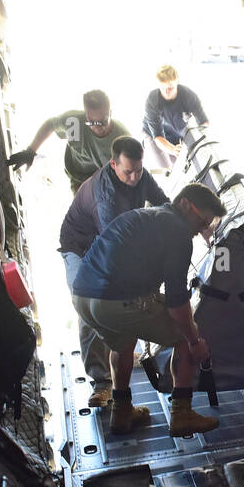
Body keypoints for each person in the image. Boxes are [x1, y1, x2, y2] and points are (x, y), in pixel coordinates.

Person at [69, 184, 227, 437]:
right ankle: (182, 413)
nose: (201, 231)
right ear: (186, 204)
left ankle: (121, 412)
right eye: (202, 221)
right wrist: (195, 340)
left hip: (83, 298)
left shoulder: (143, 216)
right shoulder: (179, 233)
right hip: (115, 301)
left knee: (122, 343)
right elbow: (177, 301)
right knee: (185, 333)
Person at [59, 136, 170, 407]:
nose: (134, 177)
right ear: (113, 164)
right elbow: (116, 249)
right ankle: (101, 382)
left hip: (112, 239)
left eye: (138, 170)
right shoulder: (105, 196)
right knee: (87, 300)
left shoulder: (140, 177)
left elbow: (163, 204)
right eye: (127, 172)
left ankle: (128, 343)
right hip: (81, 246)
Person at [8, 90, 129, 192]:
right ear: (86, 115)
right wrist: (31, 150)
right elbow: (51, 124)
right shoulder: (74, 122)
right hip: (77, 177)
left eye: (103, 121)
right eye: (91, 122)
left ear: (110, 114)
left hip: (106, 181)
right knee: (82, 215)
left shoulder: (123, 140)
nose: (97, 127)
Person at [142, 65, 209, 171]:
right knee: (165, 165)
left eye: (170, 88)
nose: (166, 92)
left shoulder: (188, 95)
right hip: (153, 134)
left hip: (176, 131)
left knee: (181, 163)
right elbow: (158, 136)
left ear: (177, 82)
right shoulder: (152, 100)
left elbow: (204, 122)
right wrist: (173, 149)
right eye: (162, 88)